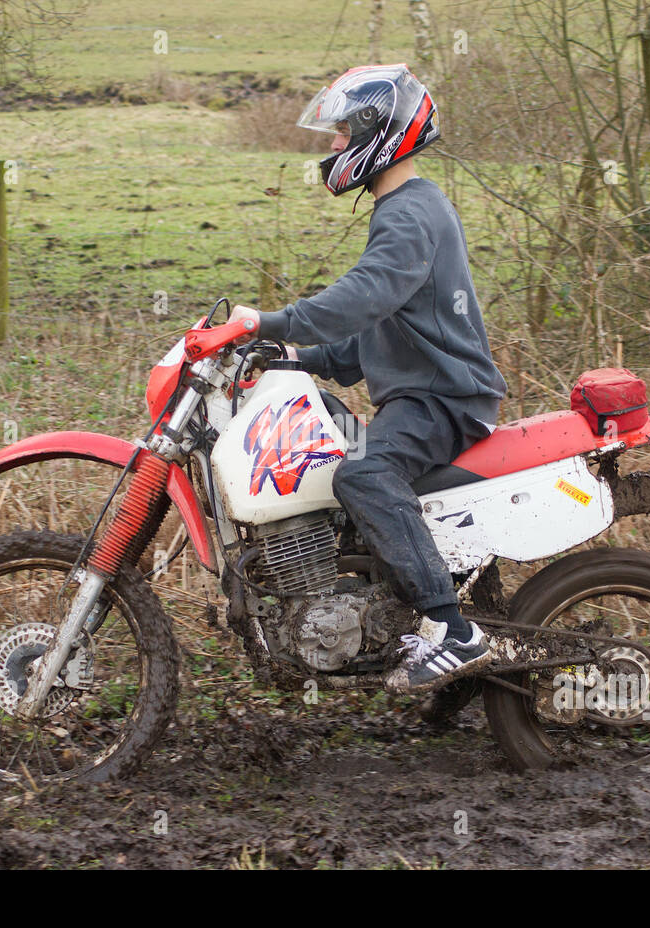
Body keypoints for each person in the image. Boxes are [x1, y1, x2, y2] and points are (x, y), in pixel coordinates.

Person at [228, 64, 507, 694]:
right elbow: (364, 342)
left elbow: (364, 296)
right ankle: (373, 598)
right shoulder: (409, 208)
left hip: (444, 401)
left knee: (362, 470)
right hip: (420, 397)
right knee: (323, 426)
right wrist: (290, 359)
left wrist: (271, 321)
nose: (332, 145)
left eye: (342, 131)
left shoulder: (408, 215)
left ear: (379, 132)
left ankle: (451, 628)